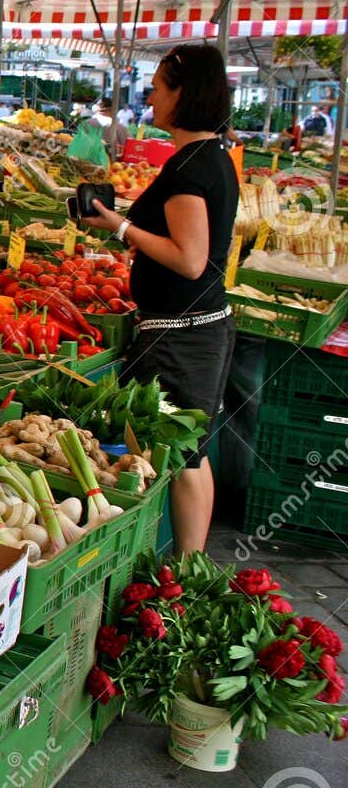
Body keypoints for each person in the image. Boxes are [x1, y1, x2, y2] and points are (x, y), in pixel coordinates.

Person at [82, 43, 238, 555]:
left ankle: (188, 567)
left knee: (184, 455)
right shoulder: (209, 156)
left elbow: (189, 259)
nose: (150, 94)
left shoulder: (191, 168)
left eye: (158, 85)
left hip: (183, 337)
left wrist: (119, 225)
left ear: (182, 94)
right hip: (197, 329)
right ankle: (188, 567)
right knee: (190, 452)